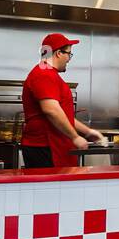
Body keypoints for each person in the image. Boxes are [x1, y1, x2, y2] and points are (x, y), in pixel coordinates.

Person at [20, 33, 104, 168]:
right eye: (69, 54)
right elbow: (52, 111)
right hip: (46, 146)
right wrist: (75, 137)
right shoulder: (44, 74)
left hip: (52, 145)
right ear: (58, 53)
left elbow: (63, 113)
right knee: (49, 189)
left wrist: (87, 132)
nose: (69, 59)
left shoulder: (48, 73)